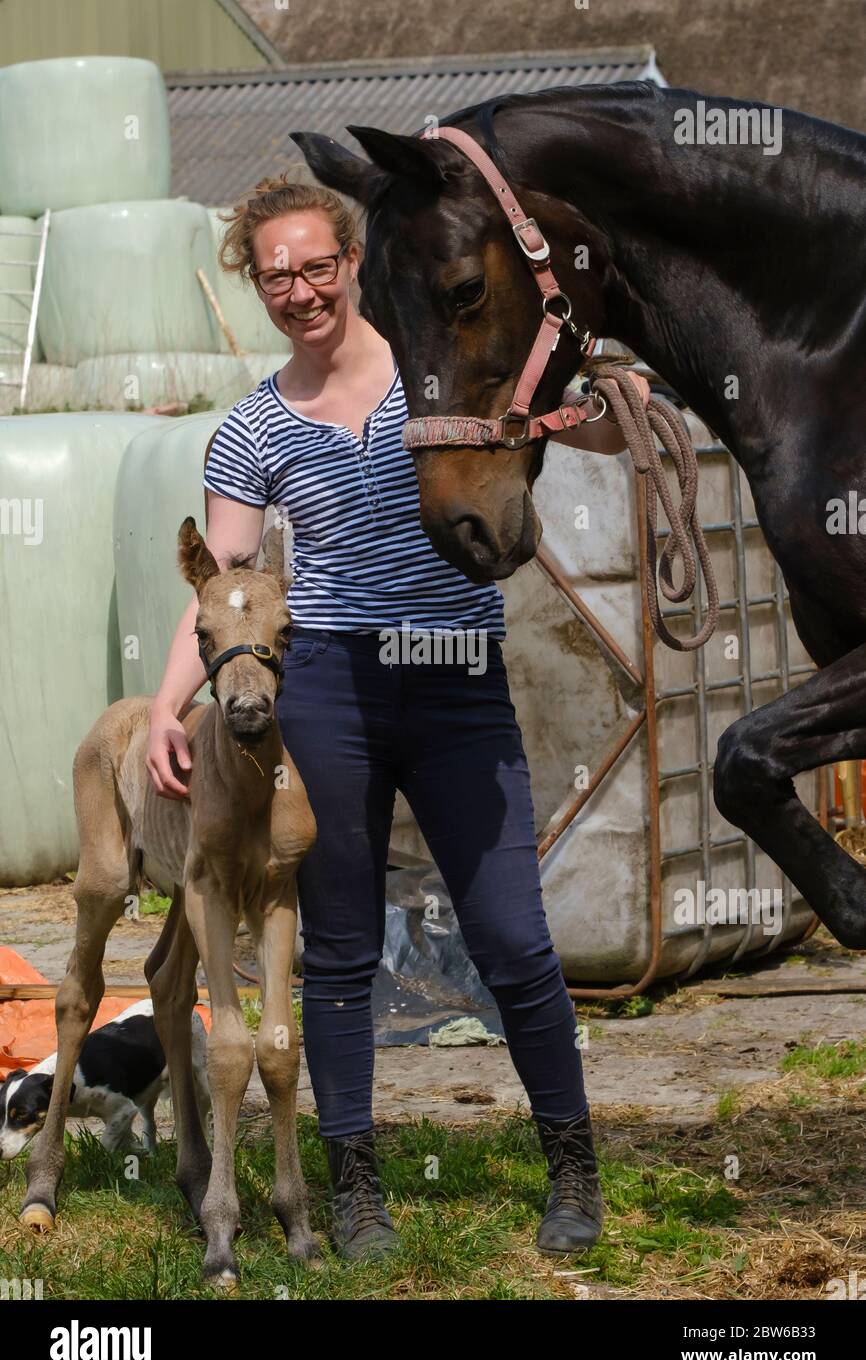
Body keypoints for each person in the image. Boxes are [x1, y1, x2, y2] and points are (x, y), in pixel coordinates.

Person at [146, 174, 650, 1261]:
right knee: (336, 949)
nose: (299, 289)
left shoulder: (438, 372)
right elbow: (223, 582)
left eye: (315, 265)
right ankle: (355, 1186)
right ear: (253, 283)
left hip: (456, 675)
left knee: (512, 936)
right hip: (325, 685)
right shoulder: (248, 430)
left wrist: (600, 383)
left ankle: (572, 1168)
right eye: (274, 272)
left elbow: (586, 418)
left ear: (353, 258)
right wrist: (162, 708)